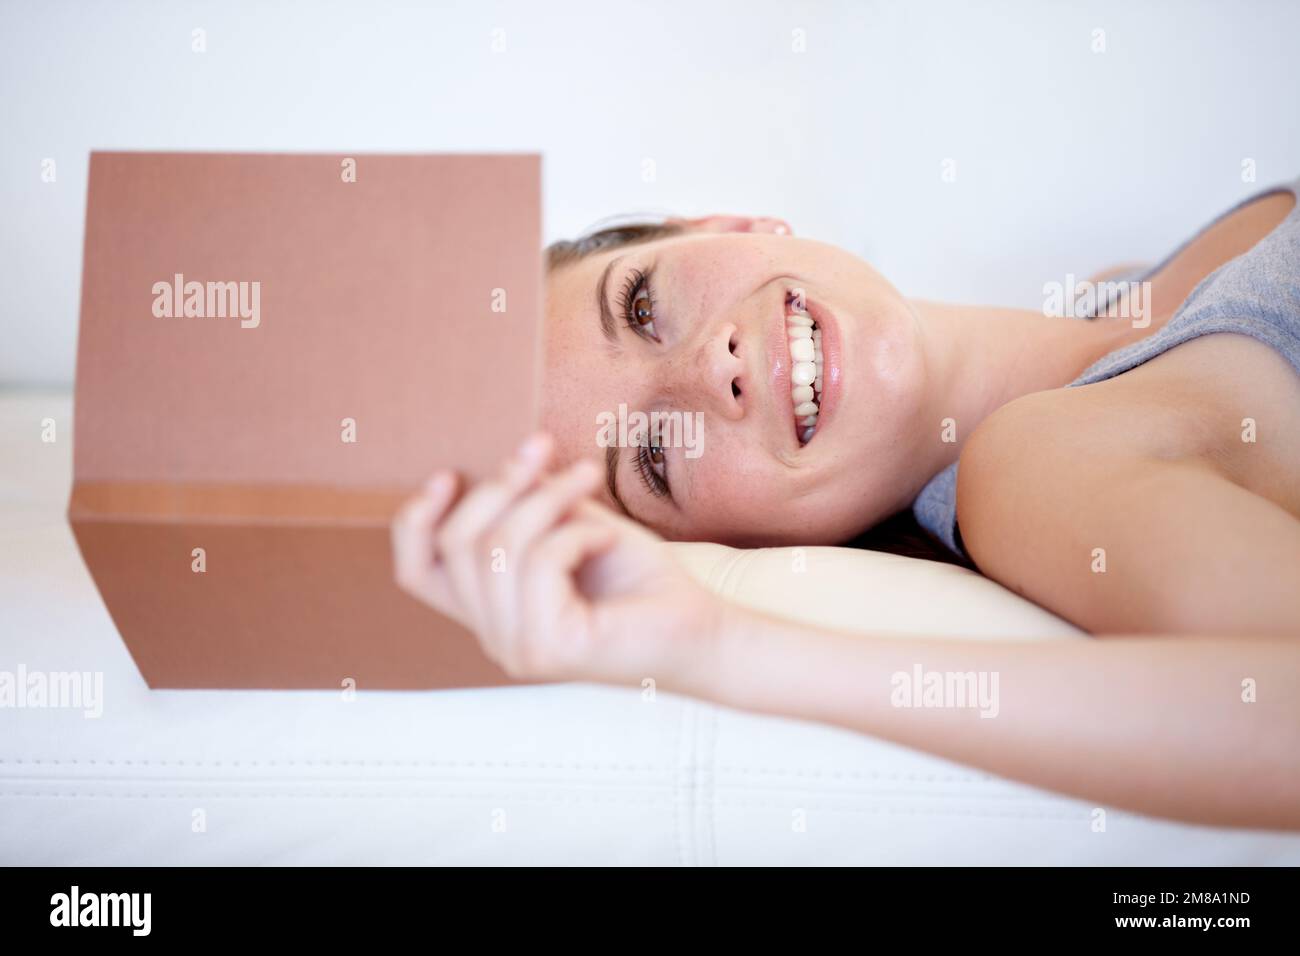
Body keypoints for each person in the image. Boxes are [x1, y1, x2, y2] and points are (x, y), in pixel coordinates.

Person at [392, 181, 1300, 830]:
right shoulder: (1035, 467)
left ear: (729, 222)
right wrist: (717, 646)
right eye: (657, 458)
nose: (712, 366)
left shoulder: (1130, 283)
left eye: (639, 306)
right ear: (733, 542)